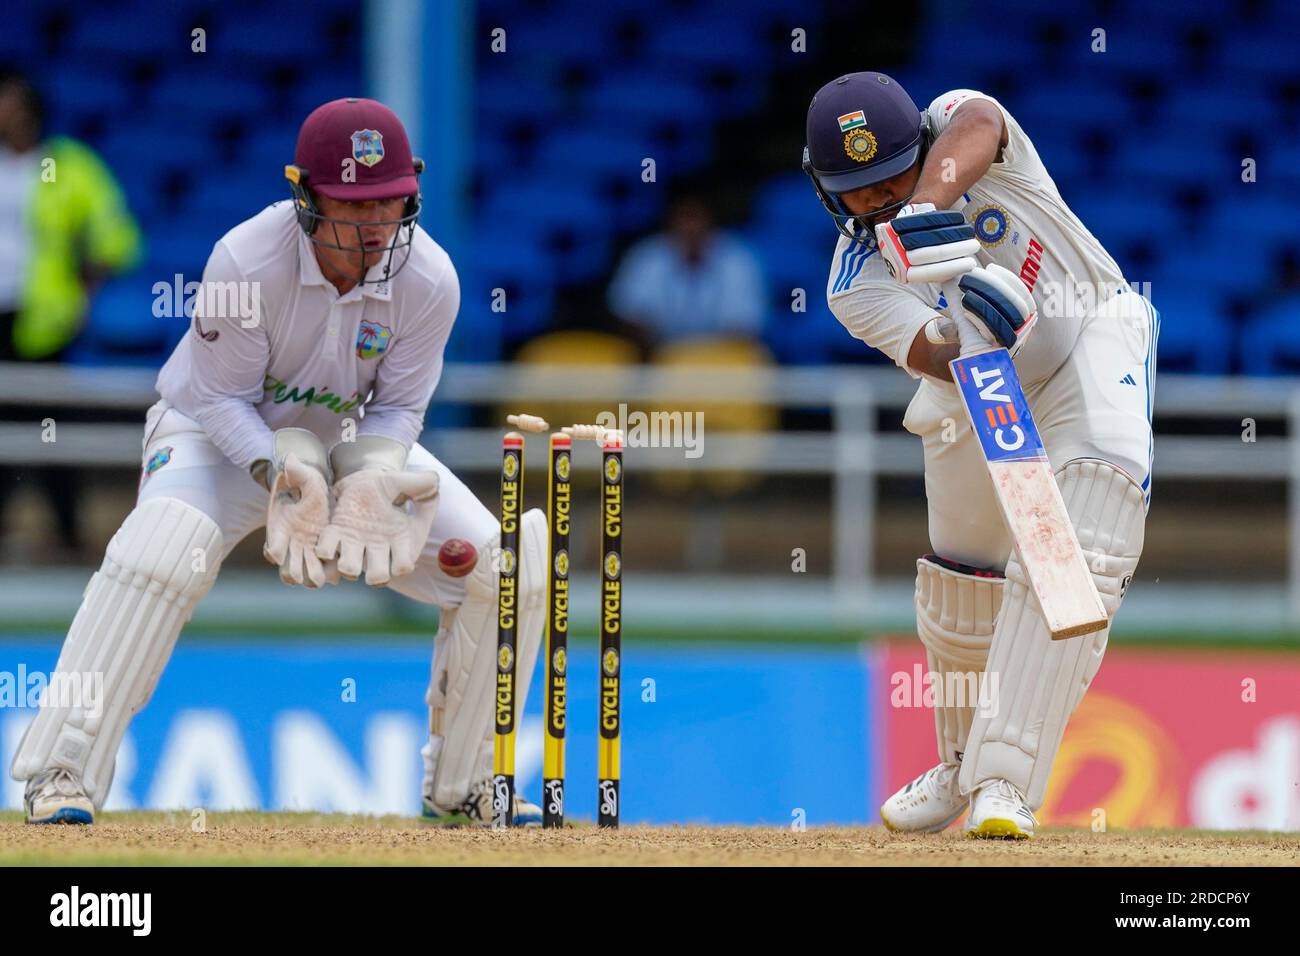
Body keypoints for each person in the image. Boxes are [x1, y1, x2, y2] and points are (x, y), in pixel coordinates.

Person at [10, 98, 547, 826]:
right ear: (306, 198)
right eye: (354, 207)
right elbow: (221, 397)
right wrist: (278, 471)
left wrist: (371, 475)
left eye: (390, 204)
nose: (376, 227)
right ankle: (59, 771)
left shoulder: (432, 279)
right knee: (164, 549)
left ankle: (470, 782)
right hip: (214, 433)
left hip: (344, 434)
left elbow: (395, 409)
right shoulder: (245, 259)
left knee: (497, 568)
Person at [804, 73, 1157, 838]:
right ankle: (960, 762)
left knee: (1079, 550)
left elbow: (982, 121)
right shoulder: (852, 281)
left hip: (1090, 342)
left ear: (922, 149)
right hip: (983, 380)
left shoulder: (966, 130)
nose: (878, 200)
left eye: (891, 175)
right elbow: (934, 353)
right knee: (967, 581)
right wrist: (976, 337)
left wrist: (925, 209)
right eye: (855, 191)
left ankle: (1004, 781)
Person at [0, 66, 141, 557]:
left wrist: (83, 291)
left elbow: (116, 237)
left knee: (48, 424)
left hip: (40, 318)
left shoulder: (67, 166)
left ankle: (67, 531)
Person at [607, 191, 766, 348]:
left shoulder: (738, 258)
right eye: (685, 219)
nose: (691, 228)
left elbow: (745, 324)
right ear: (671, 222)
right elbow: (630, 317)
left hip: (719, 357)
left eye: (697, 219)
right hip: (658, 353)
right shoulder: (647, 255)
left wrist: (699, 354)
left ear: (711, 222)